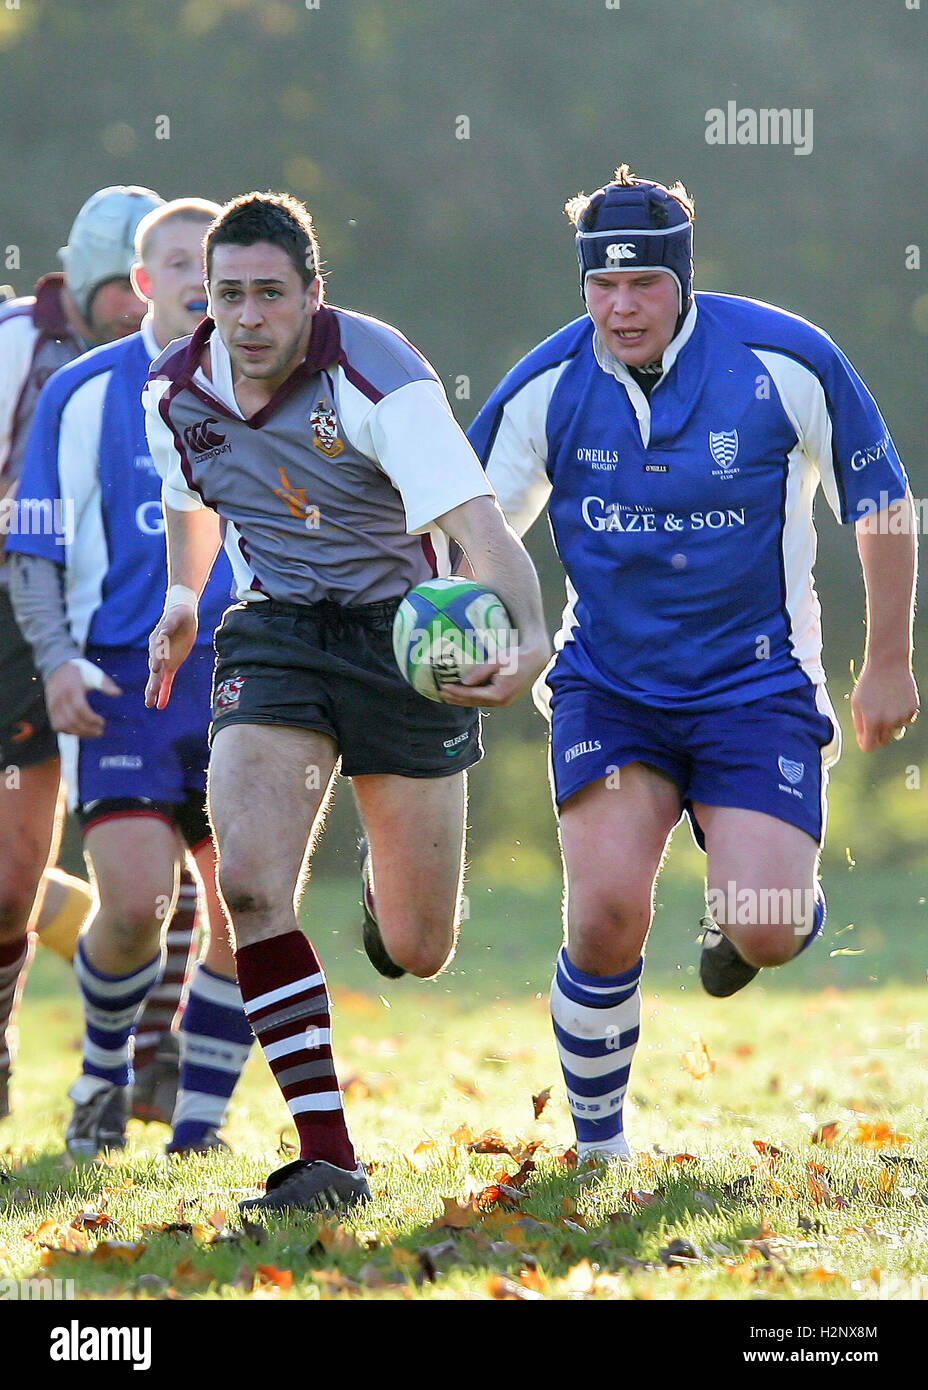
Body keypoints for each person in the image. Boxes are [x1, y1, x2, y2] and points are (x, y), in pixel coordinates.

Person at [466, 165, 918, 1163]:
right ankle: (598, 1146)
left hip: (755, 689)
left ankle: (759, 904)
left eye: (643, 286)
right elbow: (469, 530)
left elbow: (881, 504)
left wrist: (888, 661)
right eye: (601, 287)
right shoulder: (547, 384)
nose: (620, 307)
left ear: (682, 280)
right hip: (610, 689)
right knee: (606, 916)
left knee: (764, 927)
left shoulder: (784, 358)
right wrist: (475, 628)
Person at [143, 191, 550, 1213]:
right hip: (277, 633)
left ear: (310, 296)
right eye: (226, 296)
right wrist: (186, 599)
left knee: (419, 948)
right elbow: (192, 501)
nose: (245, 318)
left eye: (268, 295)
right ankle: (326, 1159)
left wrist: (530, 635)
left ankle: (384, 886)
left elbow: (479, 528)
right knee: (247, 887)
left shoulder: (377, 377)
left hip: (405, 640)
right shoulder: (176, 392)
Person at [8, 199, 252, 1159]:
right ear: (144, 283)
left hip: (247, 671)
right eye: (182, 263)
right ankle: (102, 1079)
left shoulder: (271, 383)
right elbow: (31, 552)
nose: (201, 278)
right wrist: (58, 660)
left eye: (217, 264)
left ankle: (198, 1130)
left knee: (253, 900)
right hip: (124, 677)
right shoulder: (80, 393)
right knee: (138, 905)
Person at [0, 185, 190, 1123]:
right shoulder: (17, 353)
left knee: (26, 875)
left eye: (141, 284)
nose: (132, 303)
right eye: (116, 286)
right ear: (81, 280)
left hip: (73, 633)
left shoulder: (191, 363)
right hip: (21, 614)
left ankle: (141, 1062)